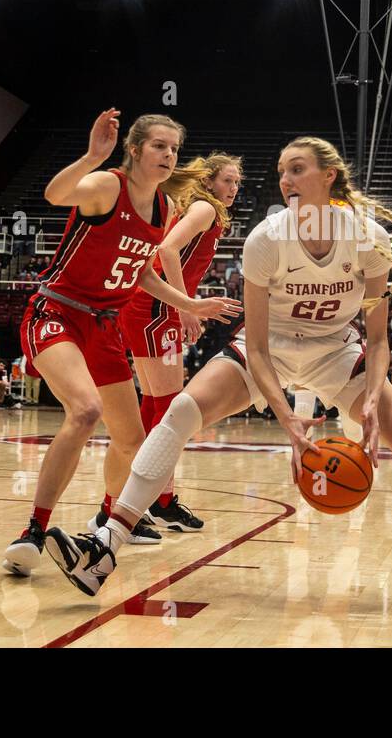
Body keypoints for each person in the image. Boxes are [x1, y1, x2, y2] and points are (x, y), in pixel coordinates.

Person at [43, 135, 392, 609]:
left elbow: (377, 340)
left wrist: (371, 397)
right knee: (181, 412)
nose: (285, 179)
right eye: (282, 171)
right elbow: (261, 347)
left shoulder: (370, 239)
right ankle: (103, 549)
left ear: (329, 176)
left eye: (297, 169)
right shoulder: (266, 238)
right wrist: (286, 417)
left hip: (336, 348)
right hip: (272, 348)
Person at [0, 110, 240, 577]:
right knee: (86, 411)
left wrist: (187, 305)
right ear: (134, 149)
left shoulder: (166, 210)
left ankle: (106, 523)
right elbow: (55, 194)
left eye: (173, 148)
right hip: (58, 311)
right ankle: (33, 529)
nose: (168, 155)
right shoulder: (108, 185)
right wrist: (93, 156)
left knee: (132, 441)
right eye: (158, 146)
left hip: (105, 326)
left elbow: (144, 272)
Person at [117, 151, 242, 532]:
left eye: (237, 182)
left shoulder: (202, 209)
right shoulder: (204, 209)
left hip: (149, 306)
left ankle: (153, 499)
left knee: (155, 404)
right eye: (228, 181)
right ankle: (149, 501)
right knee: (171, 408)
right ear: (208, 182)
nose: (234, 188)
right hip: (157, 308)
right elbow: (166, 251)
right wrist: (187, 306)